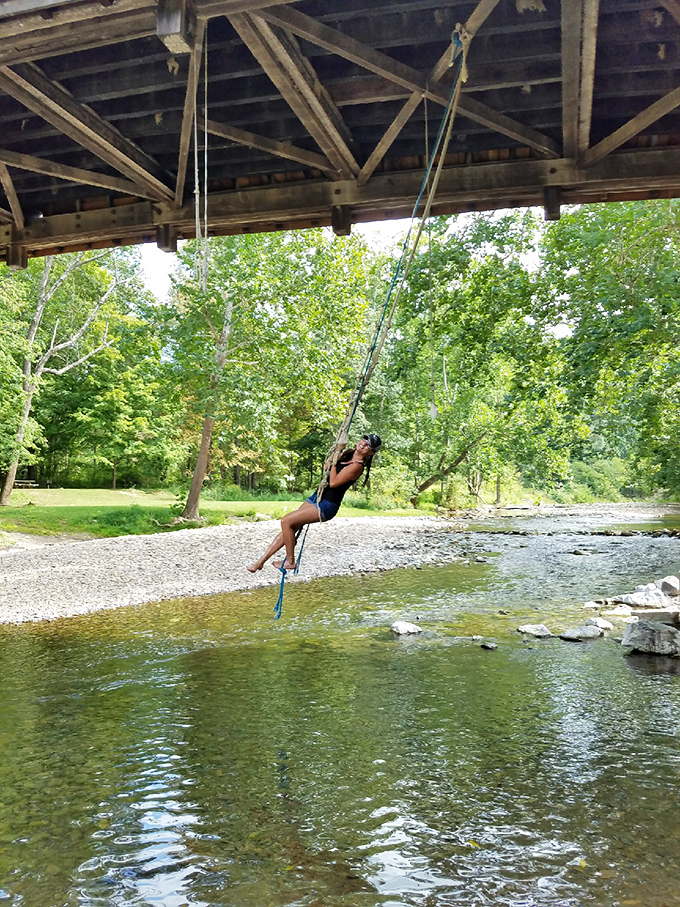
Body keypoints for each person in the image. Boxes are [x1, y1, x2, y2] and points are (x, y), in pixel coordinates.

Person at [247, 433, 382, 573]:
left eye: (368, 445)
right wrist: (336, 453)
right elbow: (326, 467)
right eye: (364, 440)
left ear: (371, 452)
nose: (363, 444)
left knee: (286, 521)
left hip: (327, 505)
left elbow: (334, 482)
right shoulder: (348, 453)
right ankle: (261, 562)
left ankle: (290, 561)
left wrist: (335, 460)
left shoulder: (357, 466)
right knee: (290, 527)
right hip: (317, 497)